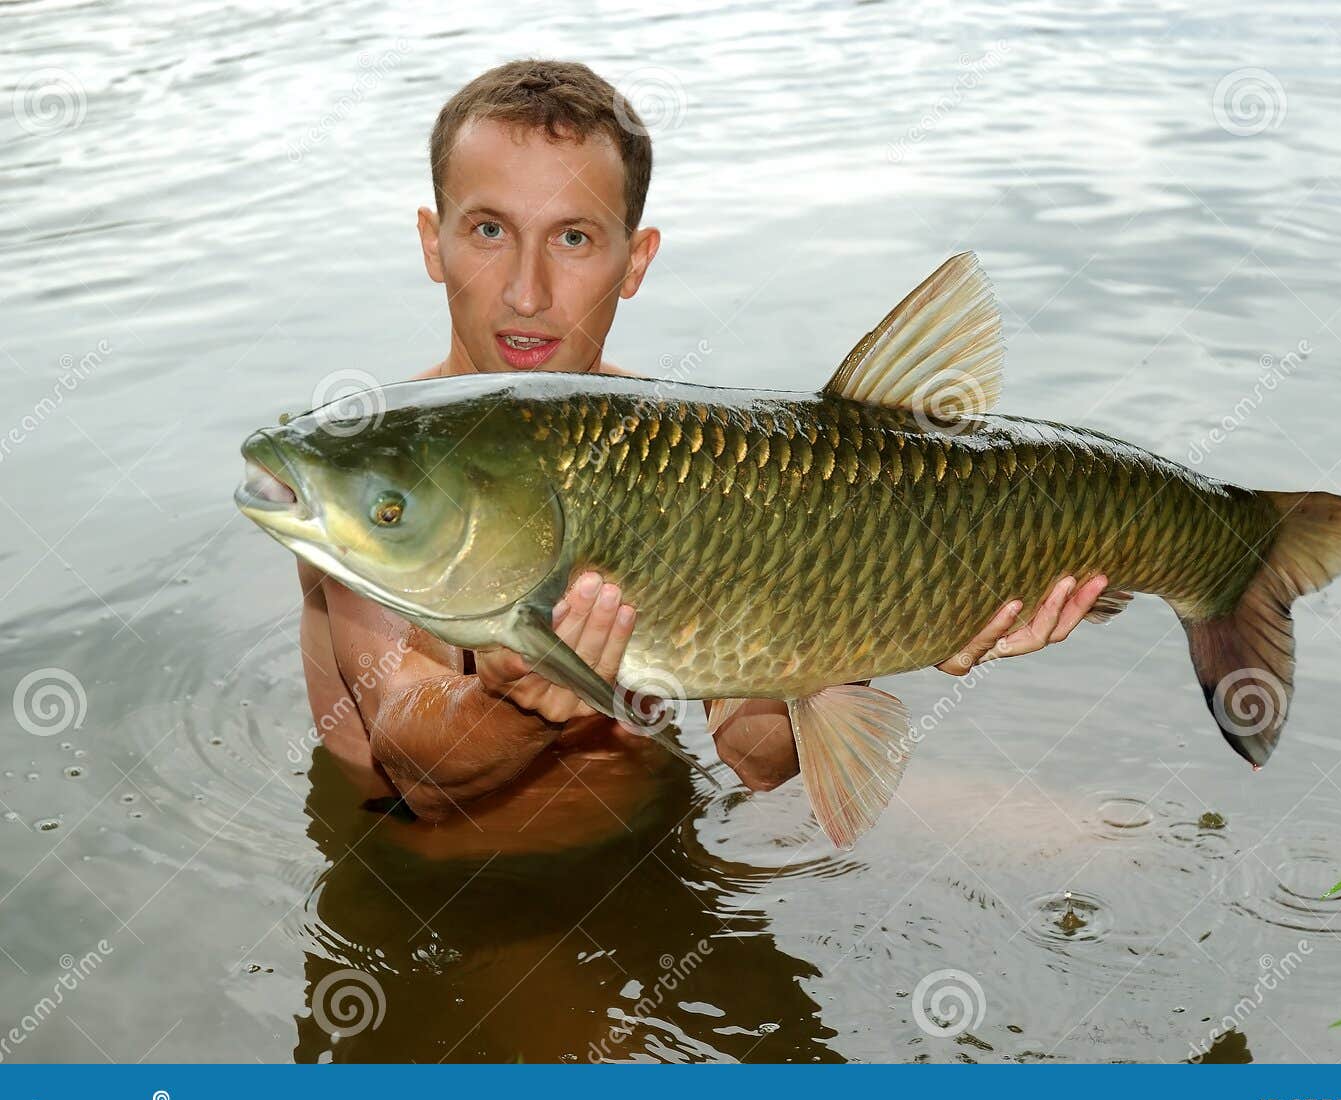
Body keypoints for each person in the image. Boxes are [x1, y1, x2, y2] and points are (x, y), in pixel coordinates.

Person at [296, 59, 1111, 837]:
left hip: (660, 860)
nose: (527, 291)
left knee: (1088, 837)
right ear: (432, 242)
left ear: (635, 261)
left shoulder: (688, 458)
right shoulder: (378, 472)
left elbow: (757, 761)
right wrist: (512, 704)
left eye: (573, 238)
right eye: (488, 230)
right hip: (439, 888)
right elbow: (416, 765)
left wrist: (878, 619)